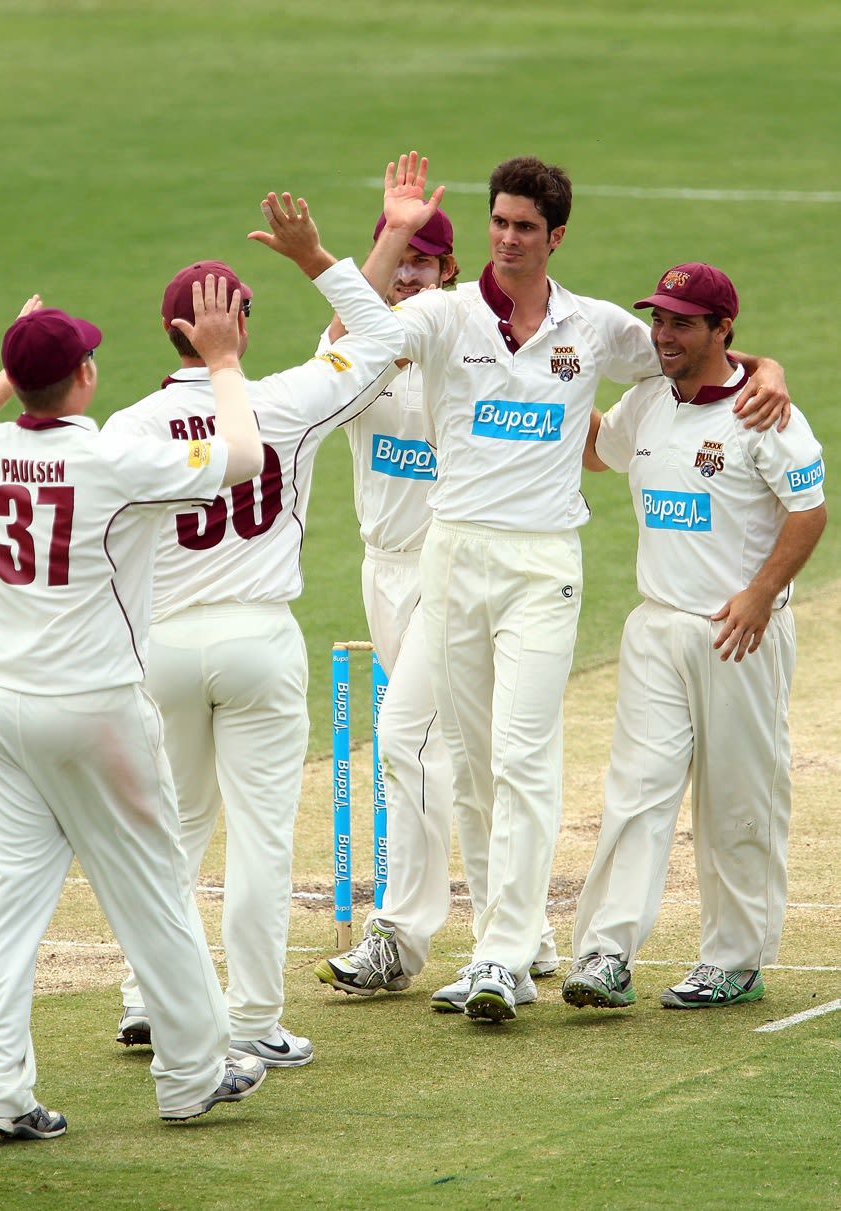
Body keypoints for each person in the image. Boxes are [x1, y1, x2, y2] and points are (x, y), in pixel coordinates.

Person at [347, 152, 791, 1024]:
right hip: (454, 553)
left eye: (524, 227)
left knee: (520, 755)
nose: (508, 240)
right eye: (498, 223)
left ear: (555, 237)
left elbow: (695, 354)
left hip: (543, 564)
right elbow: (359, 333)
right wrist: (395, 231)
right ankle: (497, 948)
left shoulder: (592, 327)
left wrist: (768, 367)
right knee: (466, 762)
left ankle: (506, 956)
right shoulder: (441, 313)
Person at [0, 278, 269, 1140]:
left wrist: (4, 379)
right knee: (155, 889)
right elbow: (242, 456)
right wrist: (224, 362)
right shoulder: (111, 461)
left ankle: (1, 1088)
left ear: (20, 382)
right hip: (93, 711)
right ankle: (192, 1074)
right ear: (86, 376)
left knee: (9, 904)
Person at [101, 192, 406, 1068]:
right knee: (261, 838)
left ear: (168, 332)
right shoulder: (284, 402)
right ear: (243, 323)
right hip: (258, 639)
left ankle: (148, 998)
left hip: (159, 648)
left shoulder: (133, 425)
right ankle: (250, 1019)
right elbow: (381, 343)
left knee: (171, 831)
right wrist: (319, 259)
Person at [313, 209, 561, 1010]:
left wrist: (759, 366)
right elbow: (342, 357)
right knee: (466, 749)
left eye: (424, 263)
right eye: (397, 263)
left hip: (457, 569)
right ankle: (527, 934)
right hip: (382, 569)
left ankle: (400, 934)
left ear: (449, 268)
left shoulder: (466, 345)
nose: (408, 276)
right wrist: (376, 270)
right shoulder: (363, 352)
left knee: (405, 740)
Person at [562, 262, 826, 1011]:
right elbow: (595, 450)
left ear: (722, 330)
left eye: (681, 322)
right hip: (654, 628)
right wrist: (545, 382)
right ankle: (607, 954)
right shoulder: (647, 400)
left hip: (737, 633)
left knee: (740, 797)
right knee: (636, 794)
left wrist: (759, 595)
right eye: (659, 320)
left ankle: (736, 959)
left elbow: (809, 512)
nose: (663, 334)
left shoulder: (765, 412)